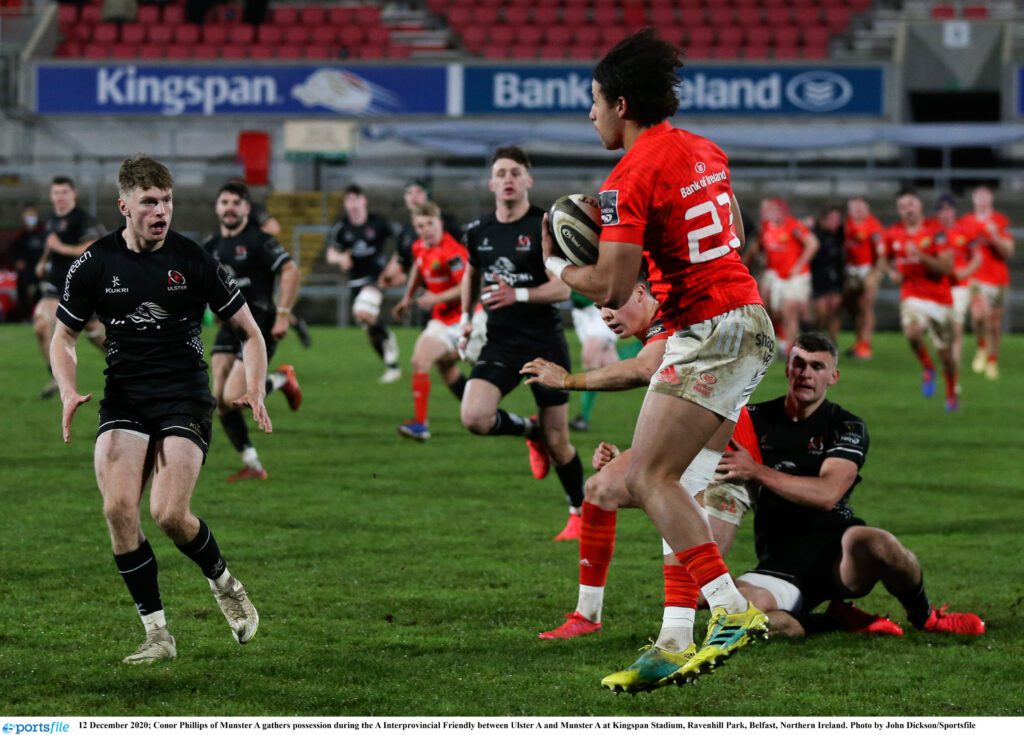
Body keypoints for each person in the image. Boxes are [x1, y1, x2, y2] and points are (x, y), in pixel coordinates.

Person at [541, 29, 775, 691]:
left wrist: (563, 265)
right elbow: (729, 229)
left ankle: (729, 611)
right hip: (742, 318)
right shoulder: (706, 149)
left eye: (594, 102)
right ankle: (674, 639)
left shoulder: (628, 174)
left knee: (650, 477)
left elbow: (613, 287)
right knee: (647, 478)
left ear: (621, 103)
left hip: (709, 329)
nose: (591, 115)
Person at [50, 155, 266, 664]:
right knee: (118, 511)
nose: (160, 210)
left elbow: (250, 334)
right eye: (149, 202)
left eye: (166, 200)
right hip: (124, 395)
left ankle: (225, 582)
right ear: (125, 206)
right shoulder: (95, 262)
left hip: (184, 397)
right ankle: (158, 635)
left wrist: (254, 386)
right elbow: (63, 337)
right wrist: (65, 388)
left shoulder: (194, 259)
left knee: (169, 513)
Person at [523, 278, 758, 658]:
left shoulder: (670, 320)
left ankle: (724, 611)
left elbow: (644, 369)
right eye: (599, 307)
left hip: (732, 463)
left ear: (640, 292)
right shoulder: (672, 320)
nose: (605, 314)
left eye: (612, 303)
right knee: (620, 491)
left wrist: (566, 380)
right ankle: (662, 634)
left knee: (669, 528)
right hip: (708, 439)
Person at [719, 333, 985, 639]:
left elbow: (827, 494)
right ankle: (837, 622)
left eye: (817, 367)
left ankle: (926, 617)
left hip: (841, 555)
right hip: (781, 563)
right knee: (733, 614)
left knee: (884, 545)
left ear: (833, 376)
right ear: (787, 369)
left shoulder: (845, 425)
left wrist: (757, 471)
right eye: (799, 364)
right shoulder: (752, 420)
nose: (806, 373)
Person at [458, 145, 585, 542]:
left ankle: (579, 511)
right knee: (474, 418)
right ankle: (528, 431)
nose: (508, 179)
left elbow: (563, 287)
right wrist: (465, 320)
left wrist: (520, 295)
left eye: (515, 172)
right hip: (500, 342)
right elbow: (471, 273)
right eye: (501, 173)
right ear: (491, 182)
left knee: (559, 440)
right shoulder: (478, 231)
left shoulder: (545, 225)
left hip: (544, 341)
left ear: (528, 179)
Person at [204, 181, 302, 482]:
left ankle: (282, 378)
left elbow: (290, 270)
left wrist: (283, 314)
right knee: (218, 400)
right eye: (225, 202)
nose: (230, 207)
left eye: (236, 202)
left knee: (235, 396)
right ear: (218, 208)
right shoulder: (210, 247)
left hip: (259, 322)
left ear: (247, 208)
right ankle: (253, 464)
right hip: (228, 325)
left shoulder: (260, 240)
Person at [392, 202, 477, 441]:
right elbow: (418, 270)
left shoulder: (452, 252)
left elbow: (466, 286)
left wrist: (436, 297)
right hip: (441, 320)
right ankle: (421, 423)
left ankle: (481, 411)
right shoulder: (419, 246)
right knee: (422, 360)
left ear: (440, 223)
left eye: (430, 223)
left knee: (449, 366)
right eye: (420, 225)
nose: (426, 229)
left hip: (466, 320)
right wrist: (407, 298)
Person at [879, 190, 958, 412]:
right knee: (912, 332)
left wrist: (921, 255)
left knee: (946, 355)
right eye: (903, 206)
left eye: (911, 204)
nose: (908, 209)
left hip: (940, 299)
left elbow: (947, 268)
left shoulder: (937, 232)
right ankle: (927, 366)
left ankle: (951, 391)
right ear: (899, 210)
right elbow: (883, 258)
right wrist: (891, 271)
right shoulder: (893, 233)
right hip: (912, 295)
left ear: (920, 205)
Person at [34, 176, 104, 399]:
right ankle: (56, 376)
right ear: (51, 196)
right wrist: (43, 262)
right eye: (56, 192)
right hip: (55, 286)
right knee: (41, 322)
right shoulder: (51, 220)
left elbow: (90, 248)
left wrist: (60, 247)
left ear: (73, 194)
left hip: (82, 286)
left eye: (64, 192)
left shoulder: (83, 219)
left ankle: (129, 370)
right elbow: (50, 247)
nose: (60, 197)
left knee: (97, 336)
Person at [325, 184, 401, 383]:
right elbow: (331, 253)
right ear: (345, 204)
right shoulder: (342, 227)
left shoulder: (378, 222)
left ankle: (389, 337)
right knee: (370, 331)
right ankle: (392, 366)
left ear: (364, 201)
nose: (354, 204)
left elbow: (402, 240)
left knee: (362, 312)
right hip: (355, 282)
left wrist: (395, 265)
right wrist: (340, 258)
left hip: (376, 279)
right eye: (349, 200)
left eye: (357, 199)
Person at [958, 186, 1014, 380]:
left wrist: (995, 236)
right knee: (978, 314)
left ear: (991, 198)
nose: (981, 199)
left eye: (985, 196)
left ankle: (992, 359)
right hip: (975, 276)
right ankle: (981, 345)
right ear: (973, 199)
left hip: (997, 278)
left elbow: (1008, 252)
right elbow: (960, 249)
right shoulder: (965, 222)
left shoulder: (999, 221)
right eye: (978, 196)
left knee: (995, 322)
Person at [758, 197, 819, 356]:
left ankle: (791, 346)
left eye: (774, 209)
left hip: (795, 277)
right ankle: (789, 341)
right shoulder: (766, 227)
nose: (770, 213)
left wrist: (798, 265)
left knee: (788, 309)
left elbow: (812, 243)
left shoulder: (793, 225)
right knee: (776, 312)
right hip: (779, 277)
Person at [379, 179, 463, 291]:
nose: (414, 196)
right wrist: (389, 277)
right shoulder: (406, 232)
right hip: (425, 290)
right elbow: (402, 262)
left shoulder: (446, 223)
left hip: (451, 285)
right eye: (409, 193)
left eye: (418, 191)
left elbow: (463, 254)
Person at [932, 195, 982, 379]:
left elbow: (977, 257)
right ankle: (945, 366)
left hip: (958, 287)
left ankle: (954, 374)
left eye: (948, 209)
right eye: (941, 210)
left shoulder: (965, 231)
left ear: (954, 211)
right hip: (937, 288)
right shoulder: (932, 233)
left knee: (956, 330)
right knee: (940, 334)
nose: (945, 214)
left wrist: (965, 272)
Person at [567, 291, 619, 431]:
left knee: (590, 358)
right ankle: (649, 351)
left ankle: (583, 417)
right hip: (581, 314)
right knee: (610, 364)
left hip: (596, 310)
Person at [842, 197, 885, 360]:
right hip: (851, 270)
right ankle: (860, 340)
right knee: (853, 306)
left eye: (861, 207)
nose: (857, 210)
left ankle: (865, 345)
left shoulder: (873, 227)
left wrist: (874, 274)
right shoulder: (847, 225)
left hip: (868, 268)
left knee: (865, 305)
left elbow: (881, 254)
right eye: (854, 207)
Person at [810, 205, 845, 342]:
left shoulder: (840, 235)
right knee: (821, 311)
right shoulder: (815, 234)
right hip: (818, 275)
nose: (834, 222)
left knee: (834, 308)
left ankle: (833, 340)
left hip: (835, 276)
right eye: (831, 218)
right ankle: (819, 336)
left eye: (837, 219)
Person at [8, 205, 47, 322]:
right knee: (25, 293)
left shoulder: (43, 233)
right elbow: (11, 251)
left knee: (41, 293)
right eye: (28, 216)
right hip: (26, 272)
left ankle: (43, 315)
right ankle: (25, 317)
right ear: (24, 218)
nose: (31, 218)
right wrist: (17, 261)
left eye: (32, 215)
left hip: (41, 270)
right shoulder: (20, 235)